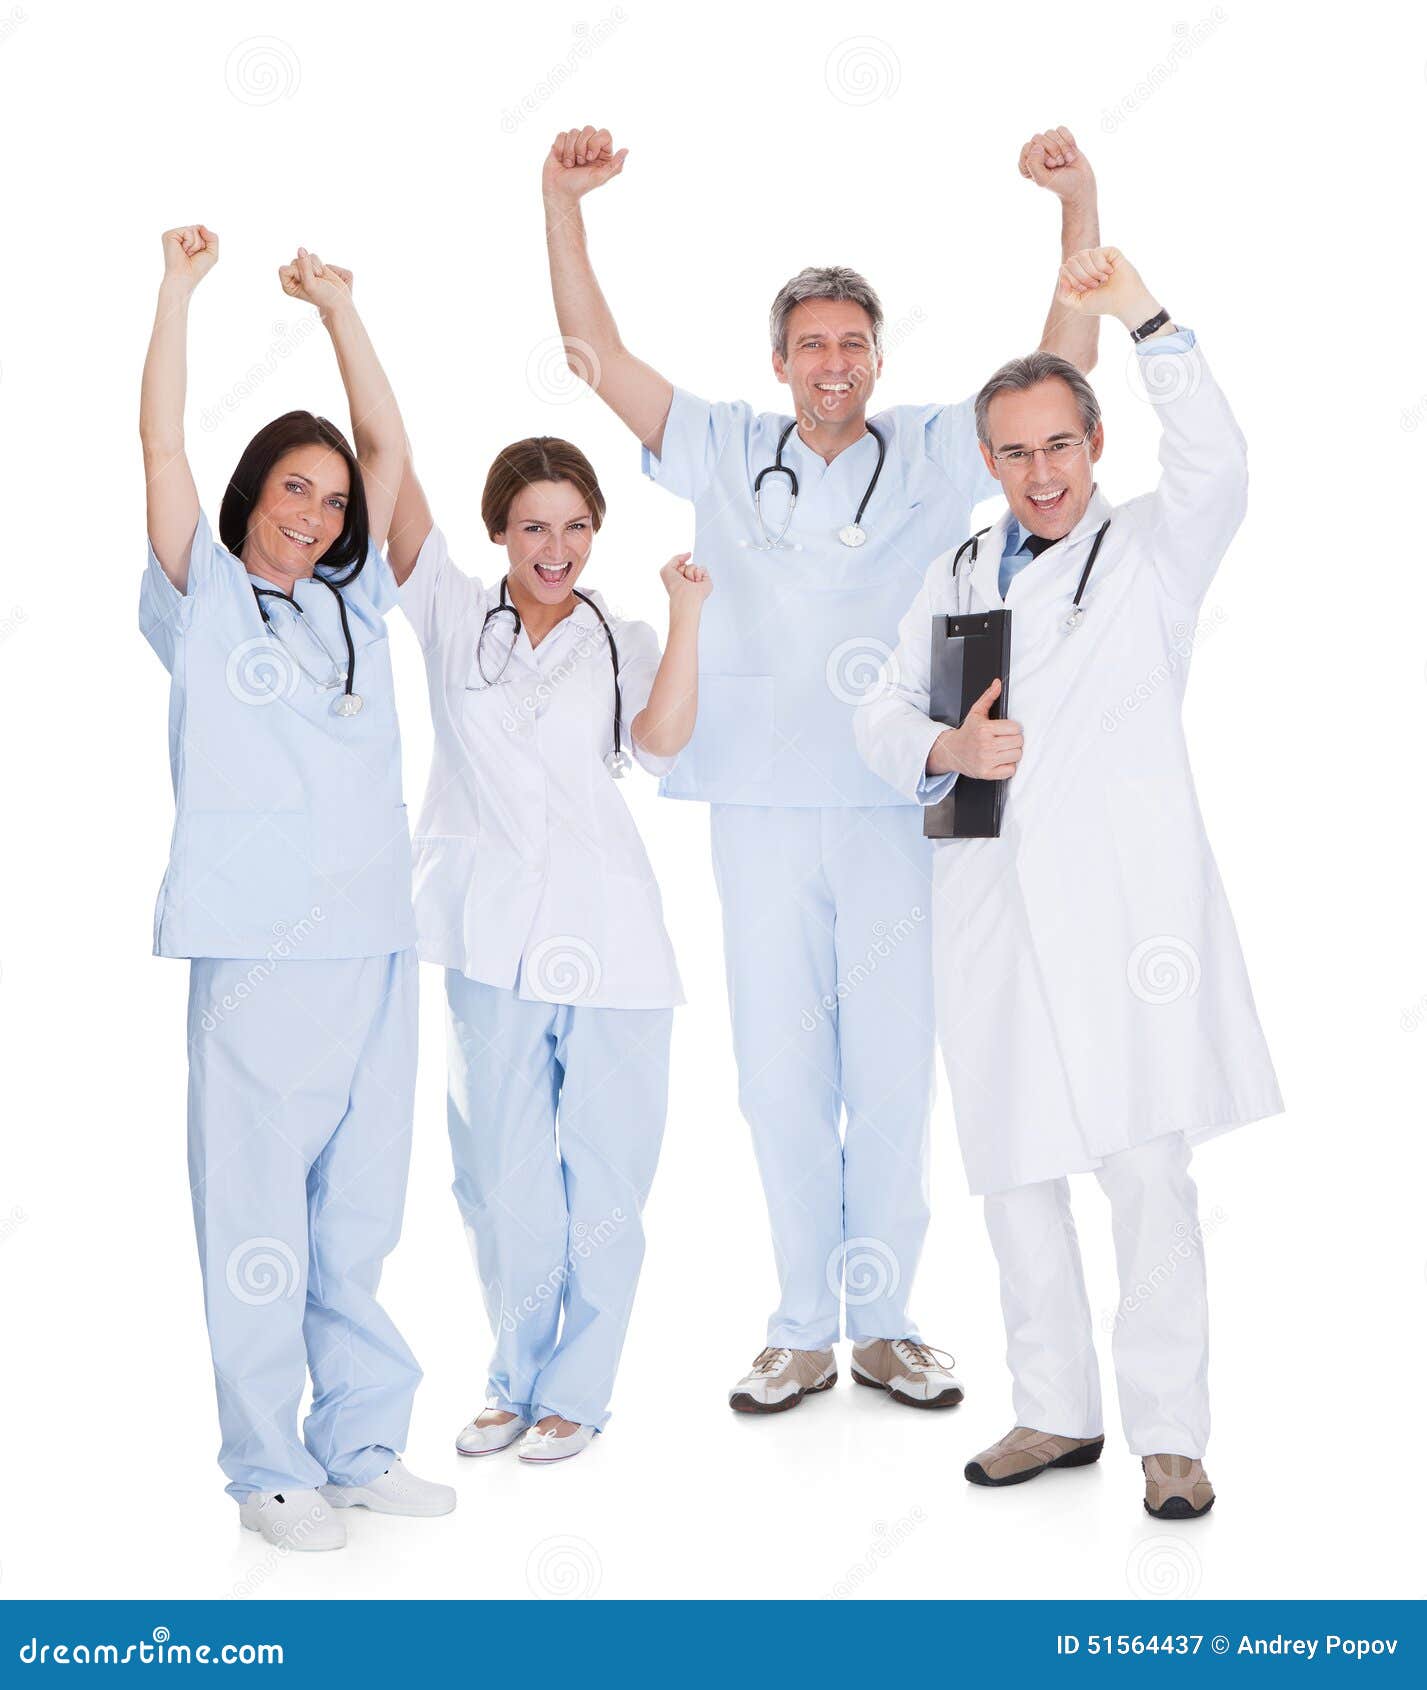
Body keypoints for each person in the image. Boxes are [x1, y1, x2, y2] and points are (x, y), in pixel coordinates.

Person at [542, 123, 1102, 1415]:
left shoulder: (932, 448)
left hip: (912, 797)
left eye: (851, 341)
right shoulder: (723, 445)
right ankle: (801, 1323)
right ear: (778, 360)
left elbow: (1057, 370)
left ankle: (889, 1320)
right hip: (758, 800)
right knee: (778, 1069)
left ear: (876, 358)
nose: (831, 362)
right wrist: (559, 202)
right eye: (810, 343)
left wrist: (1076, 205)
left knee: (898, 1064)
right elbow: (594, 359)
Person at [855, 246, 1282, 1518]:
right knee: (1013, 1169)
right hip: (986, 912)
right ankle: (1050, 1407)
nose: (1037, 473)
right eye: (1012, 452)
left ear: (1093, 444)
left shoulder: (1151, 552)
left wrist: (1138, 310)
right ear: (985, 461)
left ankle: (1169, 1435)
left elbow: (1220, 459)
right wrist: (943, 746)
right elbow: (881, 708)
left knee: (1144, 1173)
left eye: (1058, 447)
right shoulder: (955, 573)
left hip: (1122, 921)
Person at [139, 229, 454, 1549]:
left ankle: (360, 1441)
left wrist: (340, 310)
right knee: (258, 1210)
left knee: (362, 1208)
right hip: (255, 950)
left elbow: (390, 455)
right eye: (292, 488)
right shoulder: (199, 598)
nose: (318, 511)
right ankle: (267, 1461)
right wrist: (179, 294)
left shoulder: (353, 601)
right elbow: (160, 451)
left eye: (328, 497)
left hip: (375, 939)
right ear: (251, 493)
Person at [385, 437, 709, 1463]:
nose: (554, 546)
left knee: (604, 1180)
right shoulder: (447, 612)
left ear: (595, 530)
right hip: (484, 939)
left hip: (611, 943)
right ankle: (510, 1376)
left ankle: (578, 1389)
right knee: (497, 1174)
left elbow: (658, 747)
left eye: (574, 525)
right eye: (533, 525)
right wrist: (345, 316)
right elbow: (388, 458)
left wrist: (690, 614)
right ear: (498, 532)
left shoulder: (622, 634)